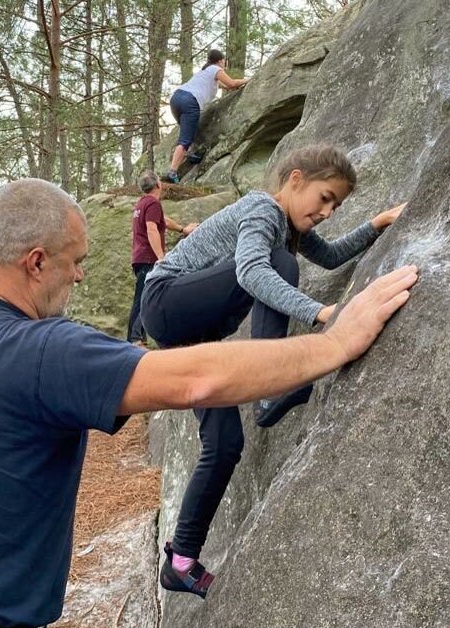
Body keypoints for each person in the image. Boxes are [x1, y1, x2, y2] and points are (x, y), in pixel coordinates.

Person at [0, 178, 417, 628]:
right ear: (36, 262)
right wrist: (335, 341)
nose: (80, 275)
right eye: (75, 261)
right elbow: (196, 379)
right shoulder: (38, 348)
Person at [140, 144, 406, 597]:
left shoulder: (289, 226)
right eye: (324, 198)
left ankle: (181, 560)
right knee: (276, 263)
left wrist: (377, 224)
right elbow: (250, 273)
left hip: (189, 337)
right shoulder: (263, 208)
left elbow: (331, 255)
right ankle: (270, 389)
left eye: (336, 205)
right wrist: (322, 314)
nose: (327, 211)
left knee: (225, 442)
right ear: (295, 179)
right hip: (166, 301)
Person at [128, 170, 197, 346]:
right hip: (149, 259)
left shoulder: (142, 203)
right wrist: (161, 257)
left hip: (140, 257)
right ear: (159, 184)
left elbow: (162, 220)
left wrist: (183, 229)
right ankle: (136, 339)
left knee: (146, 295)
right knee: (145, 297)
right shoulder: (153, 203)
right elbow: (151, 228)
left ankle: (138, 338)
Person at [165, 48, 249, 184]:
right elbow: (231, 83)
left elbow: (227, 86)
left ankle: (191, 154)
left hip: (176, 98)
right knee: (185, 140)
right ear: (221, 61)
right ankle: (172, 172)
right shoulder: (215, 69)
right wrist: (248, 80)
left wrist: (236, 85)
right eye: (224, 61)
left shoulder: (205, 72)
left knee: (190, 132)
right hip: (190, 101)